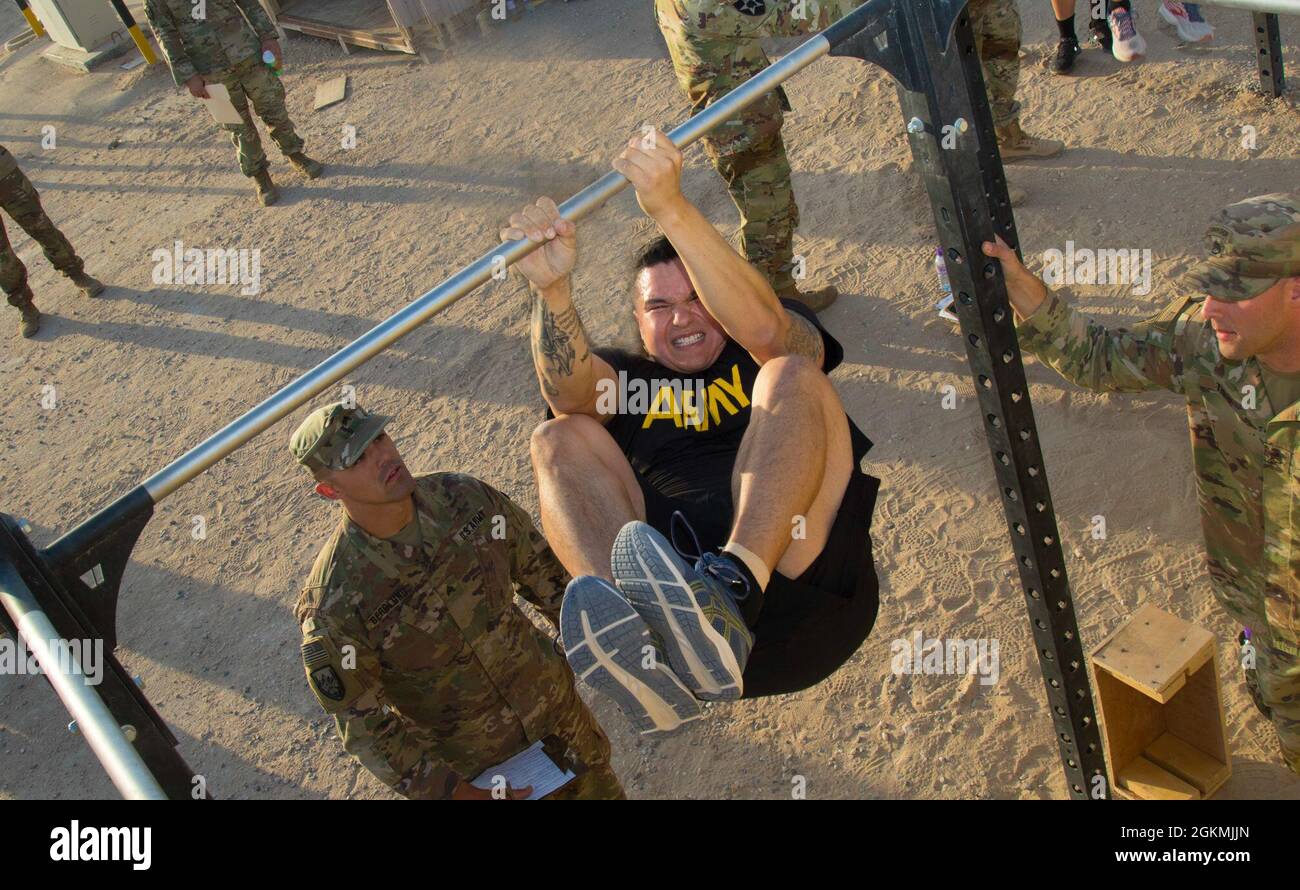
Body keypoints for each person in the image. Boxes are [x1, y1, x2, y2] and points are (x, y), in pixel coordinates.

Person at [503, 128, 880, 733]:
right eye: (657, 307)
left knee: (790, 373)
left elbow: (769, 335)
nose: (681, 316)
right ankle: (639, 640)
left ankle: (730, 593)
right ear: (635, 320)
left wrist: (670, 207)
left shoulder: (760, 342)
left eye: (697, 296)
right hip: (679, 636)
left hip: (800, 592)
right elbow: (568, 393)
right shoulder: (623, 380)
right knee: (556, 438)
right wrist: (551, 290)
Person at [984, 193, 1299, 773]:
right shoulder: (1207, 346)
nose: (1210, 309)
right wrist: (1025, 290)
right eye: (1210, 289)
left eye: (1234, 292)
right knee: (1279, 696)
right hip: (1256, 597)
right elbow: (1101, 357)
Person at [291, 402, 624, 799]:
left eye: (378, 437)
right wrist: (460, 795)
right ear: (330, 490)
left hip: (562, 723)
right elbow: (367, 729)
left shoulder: (464, 499)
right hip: (481, 773)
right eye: (358, 459)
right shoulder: (336, 603)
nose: (383, 456)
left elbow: (548, 578)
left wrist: (608, 653)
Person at [654, 0, 1060, 310]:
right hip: (736, 116)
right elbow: (810, 13)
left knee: (770, 202)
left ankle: (776, 291)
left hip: (740, 90)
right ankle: (774, 303)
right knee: (766, 203)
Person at [144, 0, 325, 206]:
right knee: (236, 125)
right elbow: (165, 35)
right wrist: (188, 75)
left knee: (273, 106)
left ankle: (295, 154)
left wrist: (267, 36)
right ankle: (259, 175)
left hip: (248, 52)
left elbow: (248, 3)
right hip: (209, 70)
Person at [0, 144, 104, 339]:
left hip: (4, 175)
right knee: (1, 258)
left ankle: (76, 273)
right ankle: (25, 306)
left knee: (41, 227)